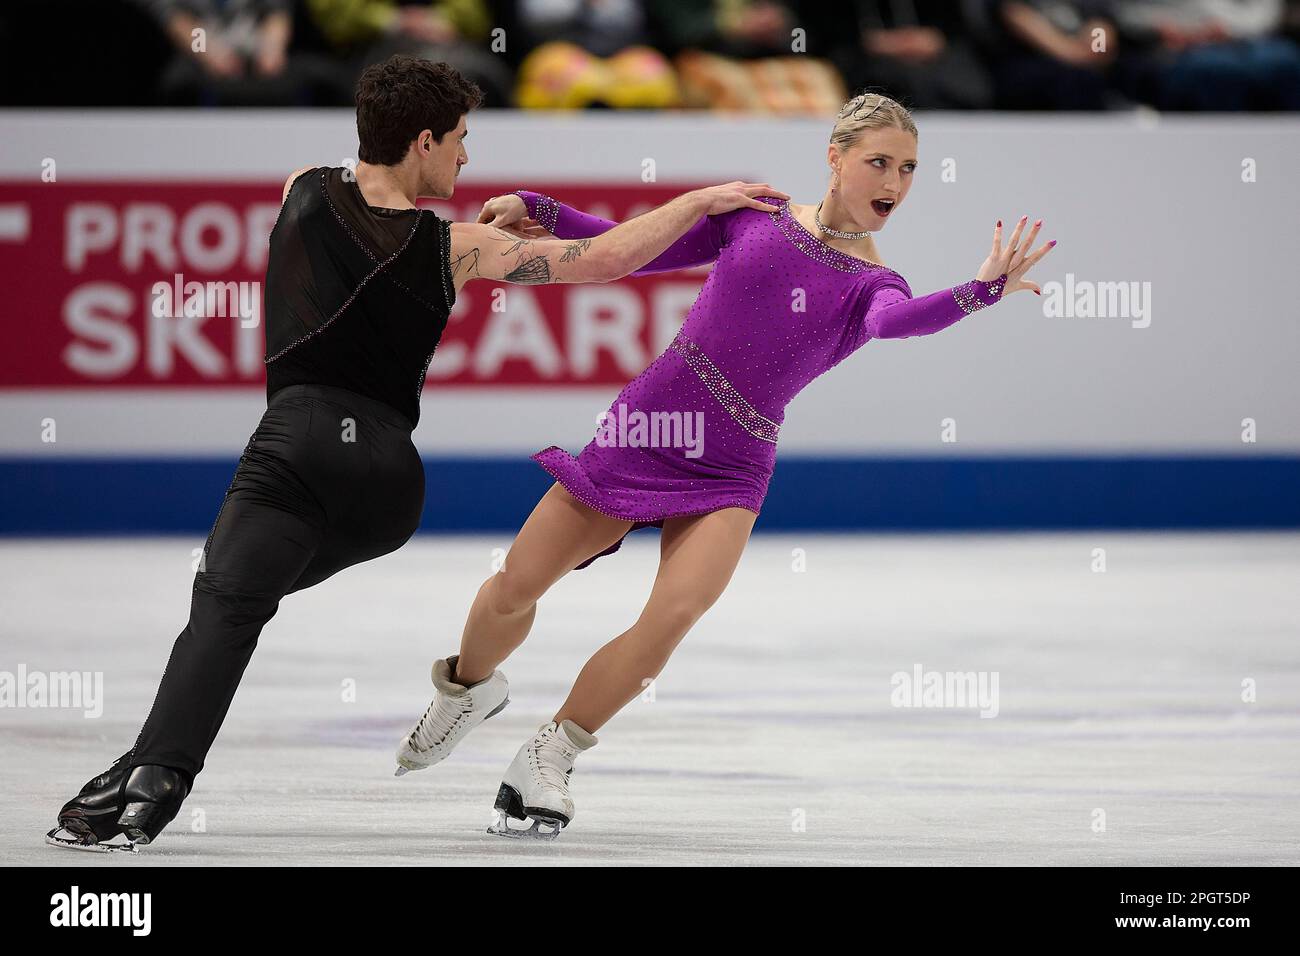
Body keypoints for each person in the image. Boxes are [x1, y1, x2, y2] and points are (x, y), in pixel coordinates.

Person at [45, 53, 784, 853]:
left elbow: (351, 201)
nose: (466, 157)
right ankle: (147, 764)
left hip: (296, 456)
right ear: (424, 141)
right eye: (460, 139)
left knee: (224, 609)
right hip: (389, 494)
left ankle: (155, 779)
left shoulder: (302, 187)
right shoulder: (457, 248)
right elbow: (607, 261)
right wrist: (702, 201)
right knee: (233, 604)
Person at [394, 91, 1056, 840]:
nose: (894, 183)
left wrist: (978, 293)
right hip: (649, 425)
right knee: (517, 585)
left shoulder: (877, 284)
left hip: (735, 464)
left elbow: (898, 324)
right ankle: (466, 688)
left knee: (675, 613)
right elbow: (629, 248)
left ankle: (551, 756)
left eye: (907, 169)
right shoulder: (756, 215)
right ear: (834, 159)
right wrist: (542, 209)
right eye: (879, 162)